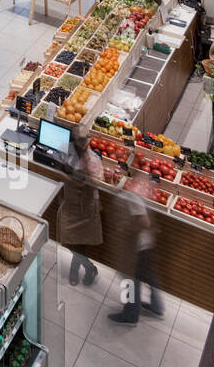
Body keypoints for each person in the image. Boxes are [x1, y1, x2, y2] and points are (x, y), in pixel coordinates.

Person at [107, 190, 165, 325]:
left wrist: (125, 228)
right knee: (150, 277)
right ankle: (157, 308)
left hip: (137, 246)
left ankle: (130, 315)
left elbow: (144, 222)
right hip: (145, 244)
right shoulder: (136, 189)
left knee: (131, 281)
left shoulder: (132, 194)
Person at [58, 127, 103, 287]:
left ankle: (74, 271)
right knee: (68, 240)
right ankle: (90, 267)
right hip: (70, 202)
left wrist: (77, 177)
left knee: (81, 242)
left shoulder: (93, 160)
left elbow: (97, 183)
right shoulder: (66, 152)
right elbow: (58, 166)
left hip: (87, 206)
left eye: (83, 140)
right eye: (78, 140)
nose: (80, 144)